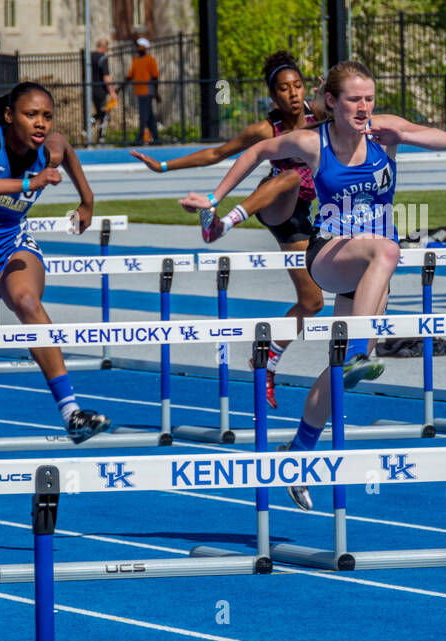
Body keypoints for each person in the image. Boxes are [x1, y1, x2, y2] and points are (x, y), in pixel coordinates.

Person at [190, 60, 446, 510]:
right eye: (354, 99)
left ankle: (298, 451)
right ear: (331, 102)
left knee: (341, 372)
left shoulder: (383, 130)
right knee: (388, 251)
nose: (363, 107)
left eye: (369, 98)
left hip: (370, 271)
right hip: (331, 252)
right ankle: (355, 353)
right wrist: (216, 200)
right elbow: (257, 153)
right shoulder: (314, 143)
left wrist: (399, 135)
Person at [0, 83, 111, 540]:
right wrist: (27, 183)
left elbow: (69, 152)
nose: (41, 124)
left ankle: (71, 412)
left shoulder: (51, 148)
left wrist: (87, 201)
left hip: (12, 249)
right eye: (31, 115)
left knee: (26, 301)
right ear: (10, 116)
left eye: (47, 115)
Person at [132, 51, 327, 408]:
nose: (294, 93)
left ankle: (266, 361)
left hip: (301, 216)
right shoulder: (266, 130)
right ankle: (223, 224)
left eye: (298, 86)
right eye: (284, 89)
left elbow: (352, 109)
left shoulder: (320, 115)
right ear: (273, 97)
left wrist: (334, 90)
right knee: (287, 176)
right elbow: (217, 153)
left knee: (312, 302)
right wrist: (162, 166)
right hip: (273, 201)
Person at [126, 37, 161, 145]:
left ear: (145, 47)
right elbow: (130, 76)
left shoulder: (150, 60)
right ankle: (157, 139)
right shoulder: (135, 60)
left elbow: (155, 77)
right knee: (149, 116)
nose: (137, 48)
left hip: (147, 91)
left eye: (139, 46)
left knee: (143, 115)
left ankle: (140, 138)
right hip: (139, 92)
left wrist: (156, 92)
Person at [88, 37, 119, 145]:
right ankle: (99, 136)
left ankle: (95, 132)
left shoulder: (90, 57)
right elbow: (106, 77)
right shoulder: (102, 58)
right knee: (104, 114)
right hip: (101, 90)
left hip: (91, 89)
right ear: (104, 47)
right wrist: (112, 92)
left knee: (101, 112)